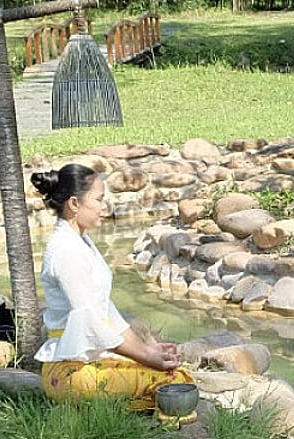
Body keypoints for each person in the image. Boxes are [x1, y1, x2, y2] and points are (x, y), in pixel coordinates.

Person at [31, 164, 193, 411]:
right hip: (68, 373)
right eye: (99, 199)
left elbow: (106, 313)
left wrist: (147, 349)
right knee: (174, 380)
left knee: (171, 373)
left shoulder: (80, 241)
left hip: (84, 364)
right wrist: (147, 357)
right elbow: (92, 322)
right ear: (74, 204)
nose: (104, 206)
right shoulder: (66, 251)